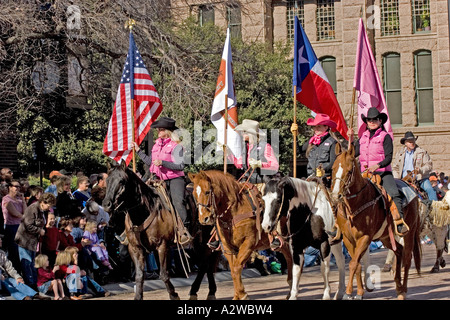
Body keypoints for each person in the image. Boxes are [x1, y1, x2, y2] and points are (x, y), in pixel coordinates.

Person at [349, 107, 408, 236]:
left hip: (383, 173)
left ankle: (399, 222)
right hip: (365, 174)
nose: (371, 121)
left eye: (374, 119)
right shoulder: (362, 137)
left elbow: (388, 157)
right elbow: (352, 153)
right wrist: (351, 139)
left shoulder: (385, 137)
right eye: (369, 119)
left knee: (394, 193)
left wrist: (377, 165)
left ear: (380, 120)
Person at [133, 116, 191, 245]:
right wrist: (138, 151)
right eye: (158, 129)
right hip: (158, 178)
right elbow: (150, 162)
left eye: (161, 129)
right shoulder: (156, 145)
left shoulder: (177, 146)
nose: (158, 131)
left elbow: (180, 166)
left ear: (168, 131)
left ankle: (183, 230)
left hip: (175, 178)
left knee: (178, 202)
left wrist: (163, 162)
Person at [15, 192, 56, 289]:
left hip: (33, 241)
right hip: (24, 240)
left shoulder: (42, 211)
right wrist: (39, 230)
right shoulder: (32, 208)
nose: (49, 208)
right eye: (48, 205)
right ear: (43, 202)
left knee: (32, 263)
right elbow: (27, 225)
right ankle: (30, 286)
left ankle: (33, 284)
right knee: (27, 263)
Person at [292, 113, 340, 186]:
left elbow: (333, 163)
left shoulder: (332, 142)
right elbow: (298, 150)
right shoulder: (312, 141)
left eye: (319, 127)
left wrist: (322, 169)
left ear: (326, 127)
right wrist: (294, 137)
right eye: (314, 127)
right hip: (310, 178)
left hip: (326, 180)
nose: (316, 129)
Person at [0, 234, 50, 300]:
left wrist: (18, 277)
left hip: (4, 278)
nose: (1, 241)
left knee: (16, 282)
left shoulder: (2, 253)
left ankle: (35, 295)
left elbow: (9, 267)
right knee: (8, 285)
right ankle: (24, 298)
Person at [392, 131, 438, 201]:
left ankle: (434, 209)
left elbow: (429, 165)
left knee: (430, 190)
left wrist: (420, 170)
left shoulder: (422, 152)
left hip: (420, 179)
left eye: (413, 141)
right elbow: (395, 167)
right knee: (392, 193)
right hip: (403, 180)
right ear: (405, 143)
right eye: (410, 142)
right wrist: (396, 178)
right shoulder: (400, 154)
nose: (412, 143)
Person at [233, 119, 279, 187]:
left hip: (262, 184)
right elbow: (239, 165)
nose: (242, 134)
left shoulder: (265, 146)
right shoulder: (245, 147)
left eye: (244, 132)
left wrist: (259, 164)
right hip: (247, 183)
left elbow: (275, 166)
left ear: (250, 134)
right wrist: (228, 154)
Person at [1, 180, 27, 272]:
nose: (18, 188)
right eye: (16, 186)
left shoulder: (19, 200)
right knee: (14, 251)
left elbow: (26, 211)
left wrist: (23, 200)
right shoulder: (6, 199)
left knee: (21, 251)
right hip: (11, 227)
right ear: (10, 187)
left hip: (20, 227)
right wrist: (25, 217)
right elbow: (15, 213)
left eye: (19, 187)